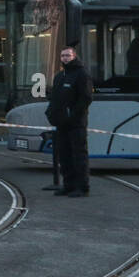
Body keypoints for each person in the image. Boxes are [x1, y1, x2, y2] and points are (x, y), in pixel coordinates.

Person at [46, 42, 93, 197]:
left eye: (68, 55)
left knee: (79, 155)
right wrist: (51, 114)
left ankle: (82, 187)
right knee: (64, 155)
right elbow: (55, 98)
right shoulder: (60, 76)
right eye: (63, 56)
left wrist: (72, 115)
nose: (65, 58)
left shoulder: (82, 74)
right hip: (61, 123)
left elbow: (86, 98)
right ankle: (68, 185)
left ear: (74, 56)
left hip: (76, 123)